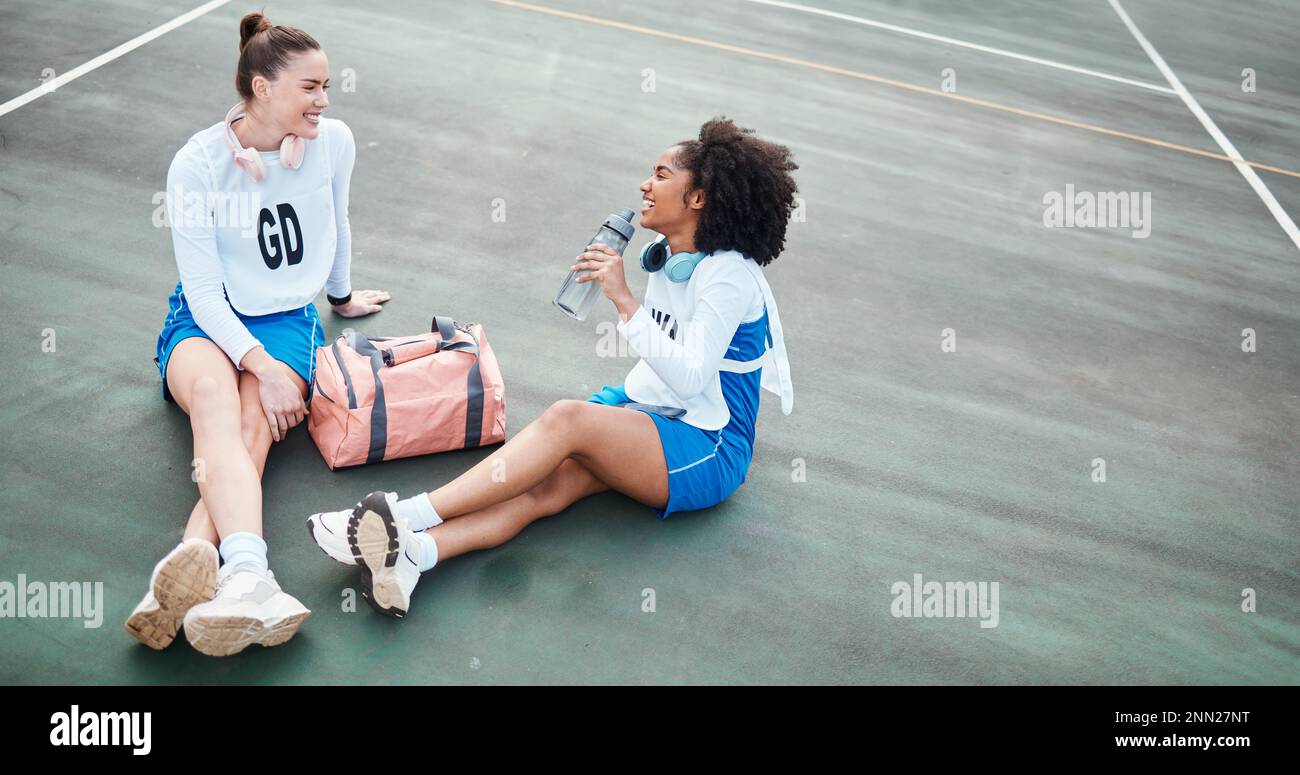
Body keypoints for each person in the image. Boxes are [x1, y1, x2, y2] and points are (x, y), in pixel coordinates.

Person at [308, 117, 796, 619]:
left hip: (709, 444)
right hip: (655, 409)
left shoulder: (728, 277)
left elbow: (693, 377)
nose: (645, 185)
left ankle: (400, 516)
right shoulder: (673, 256)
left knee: (567, 420)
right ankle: (416, 555)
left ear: (698, 198)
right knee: (546, 484)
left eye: (662, 174)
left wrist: (625, 302)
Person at [125, 11, 389, 656]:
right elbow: (204, 290)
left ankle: (187, 580)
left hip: (287, 320)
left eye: (327, 87)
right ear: (262, 88)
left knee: (252, 430)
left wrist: (341, 297)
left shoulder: (334, 142)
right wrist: (262, 366)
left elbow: (339, 218)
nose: (324, 101)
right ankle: (252, 574)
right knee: (217, 405)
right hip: (205, 319)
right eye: (310, 88)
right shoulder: (195, 164)